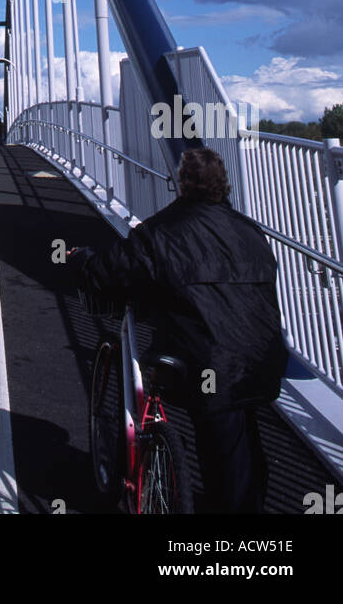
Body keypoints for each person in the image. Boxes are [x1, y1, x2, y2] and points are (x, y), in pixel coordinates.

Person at [68, 146, 287, 513]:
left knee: (221, 451)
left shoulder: (164, 230)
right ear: (223, 185)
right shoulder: (249, 231)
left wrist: (80, 261)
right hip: (265, 356)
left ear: (181, 184)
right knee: (245, 439)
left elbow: (113, 270)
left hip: (210, 363)